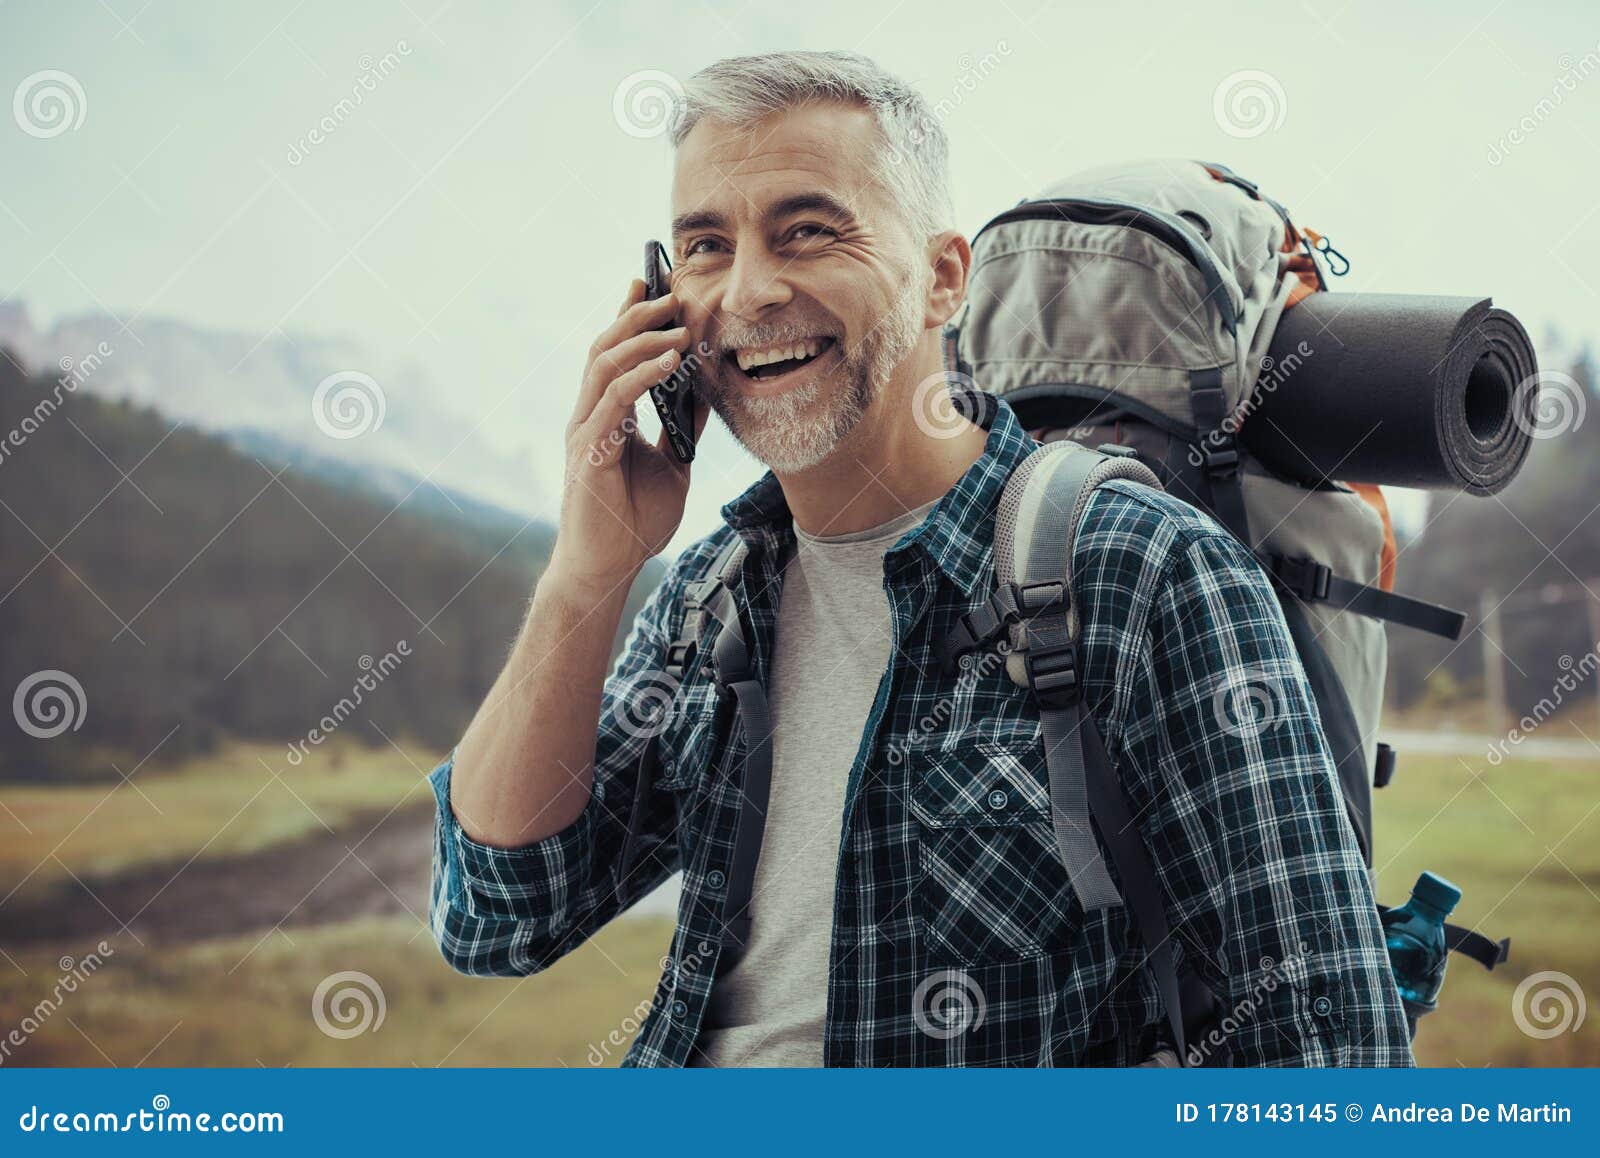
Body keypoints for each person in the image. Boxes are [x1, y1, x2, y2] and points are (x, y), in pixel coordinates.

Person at [428, 50, 1413, 1068]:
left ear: (944, 277)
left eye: (807, 230)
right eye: (705, 247)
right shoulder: (711, 593)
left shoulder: (1139, 570)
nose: (750, 291)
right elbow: (499, 920)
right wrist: (589, 572)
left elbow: (1328, 1049)